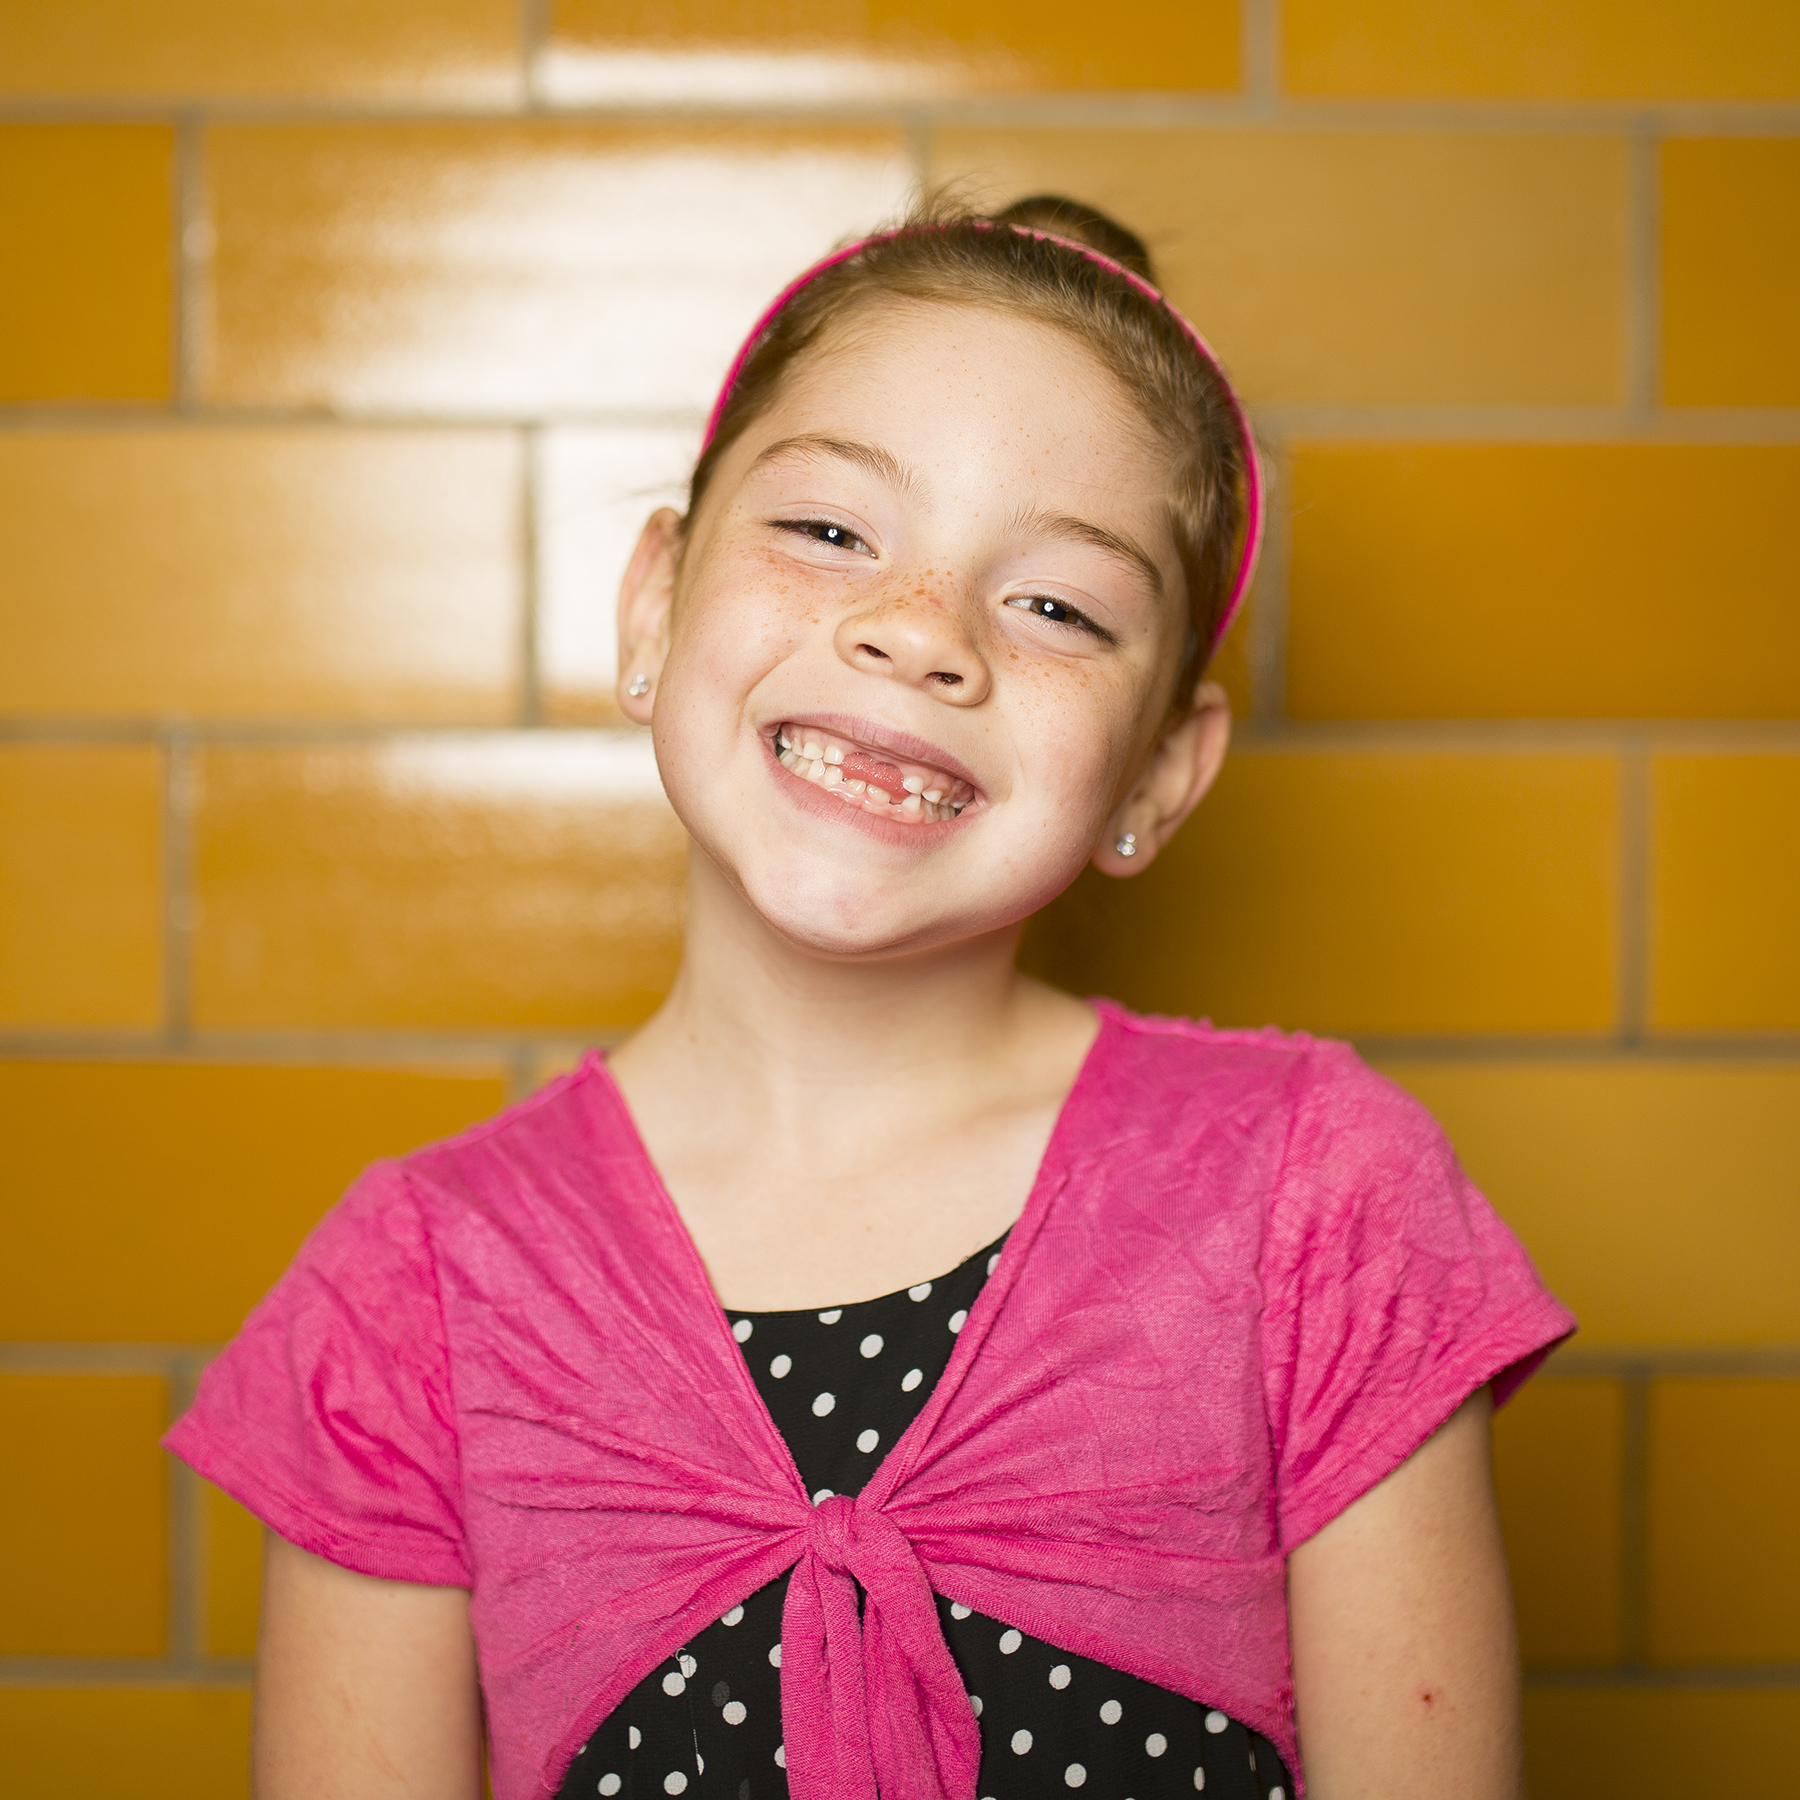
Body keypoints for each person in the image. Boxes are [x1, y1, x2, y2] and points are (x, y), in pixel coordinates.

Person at [167, 195, 1573, 1800]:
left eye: (1055, 606)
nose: (918, 633)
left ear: (1160, 777)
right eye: (831, 532)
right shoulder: (410, 1290)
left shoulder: (1320, 1199)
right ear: (653, 603)